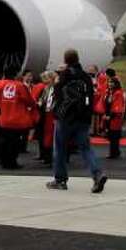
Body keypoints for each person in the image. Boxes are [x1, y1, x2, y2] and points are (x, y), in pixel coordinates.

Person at [48, 49, 109, 193]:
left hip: (65, 118)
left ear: (66, 60)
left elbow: (58, 96)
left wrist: (57, 114)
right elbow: (91, 96)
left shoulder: (64, 76)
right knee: (86, 148)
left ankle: (60, 179)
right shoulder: (86, 77)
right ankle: (97, 174)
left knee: (60, 148)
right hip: (82, 118)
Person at [0, 68, 35, 170]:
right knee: (14, 142)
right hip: (17, 119)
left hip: (3, 118)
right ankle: (12, 162)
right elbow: (29, 101)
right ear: (16, 75)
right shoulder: (19, 86)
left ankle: (3, 161)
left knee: (3, 141)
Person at [103, 69, 126, 159]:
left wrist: (110, 116)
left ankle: (114, 153)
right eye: (109, 82)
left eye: (112, 83)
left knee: (114, 135)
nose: (110, 84)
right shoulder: (108, 92)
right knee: (111, 135)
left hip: (115, 117)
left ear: (116, 84)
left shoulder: (118, 93)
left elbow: (117, 107)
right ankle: (115, 151)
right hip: (108, 116)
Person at [35, 72, 56, 164]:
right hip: (45, 114)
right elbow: (42, 99)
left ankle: (50, 157)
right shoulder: (45, 89)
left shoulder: (55, 89)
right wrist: (39, 103)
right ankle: (45, 156)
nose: (45, 81)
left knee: (50, 136)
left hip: (52, 115)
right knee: (44, 136)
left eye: (47, 78)